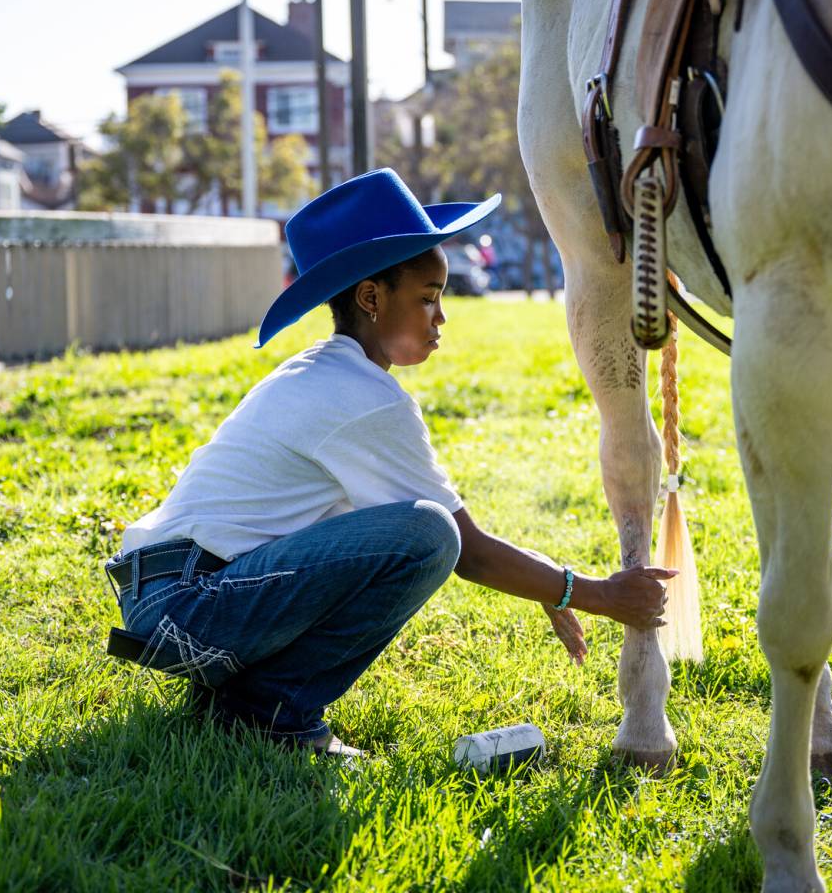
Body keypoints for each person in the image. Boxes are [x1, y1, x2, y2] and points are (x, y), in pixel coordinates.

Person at [105, 169, 674, 756]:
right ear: (372, 299)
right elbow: (466, 549)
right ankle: (272, 710)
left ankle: (247, 696)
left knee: (416, 528)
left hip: (170, 594)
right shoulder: (363, 398)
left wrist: (551, 590)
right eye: (427, 299)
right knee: (425, 533)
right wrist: (597, 595)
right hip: (186, 602)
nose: (441, 318)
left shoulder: (328, 369)